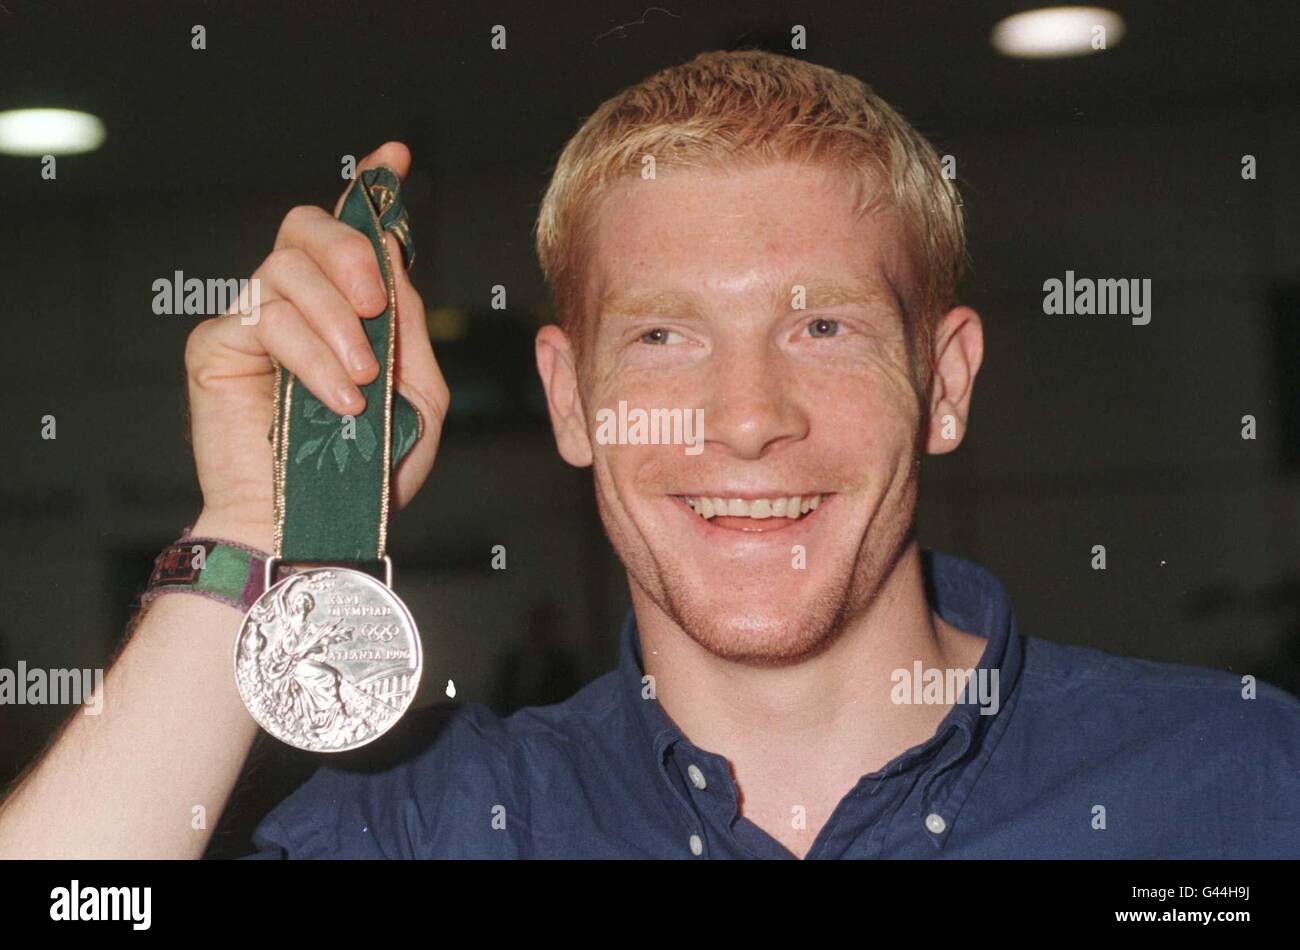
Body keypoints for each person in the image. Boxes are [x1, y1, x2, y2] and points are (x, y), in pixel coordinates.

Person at [1, 50, 1296, 859]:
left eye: (825, 325)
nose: (744, 417)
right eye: (667, 335)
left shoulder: (1241, 780)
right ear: (568, 399)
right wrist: (246, 523)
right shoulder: (438, 828)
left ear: (946, 379)